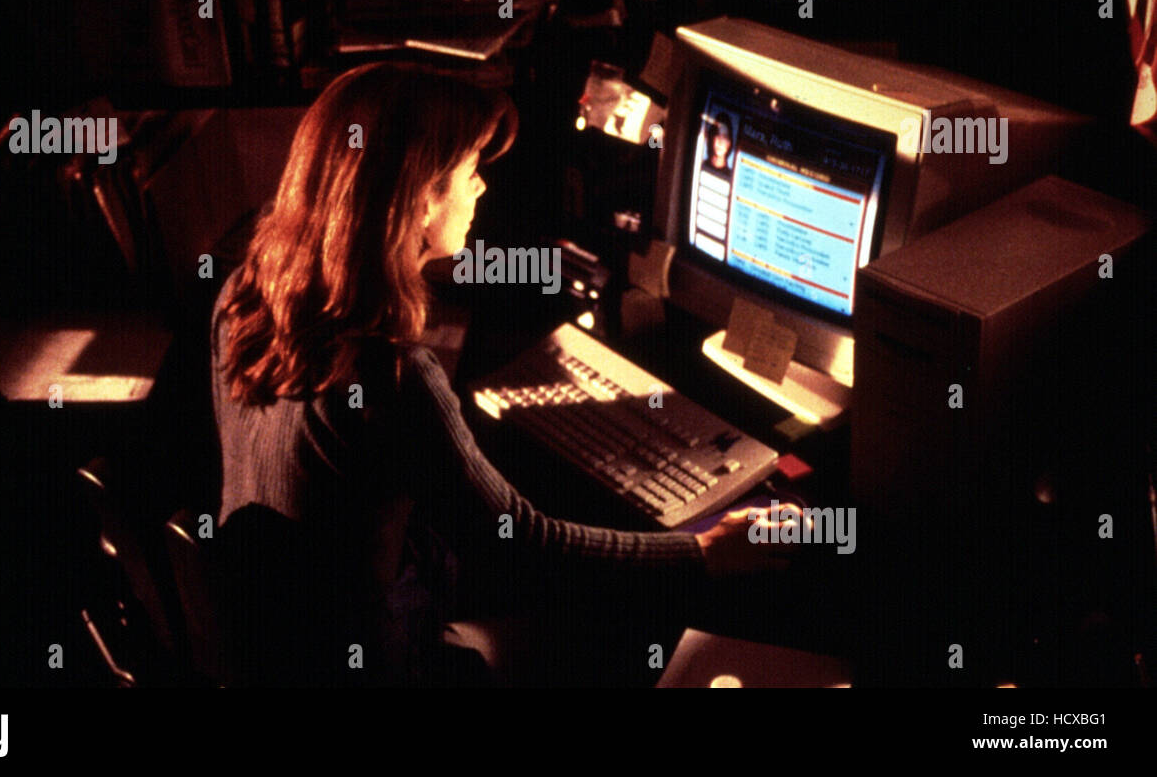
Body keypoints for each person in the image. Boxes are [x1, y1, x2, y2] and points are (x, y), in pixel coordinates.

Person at [210, 62, 798, 686]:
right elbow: (527, 542)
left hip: (282, 652)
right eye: (469, 172)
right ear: (419, 196)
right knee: (623, 629)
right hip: (384, 664)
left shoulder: (240, 298)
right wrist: (705, 552)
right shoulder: (396, 377)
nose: (481, 190)